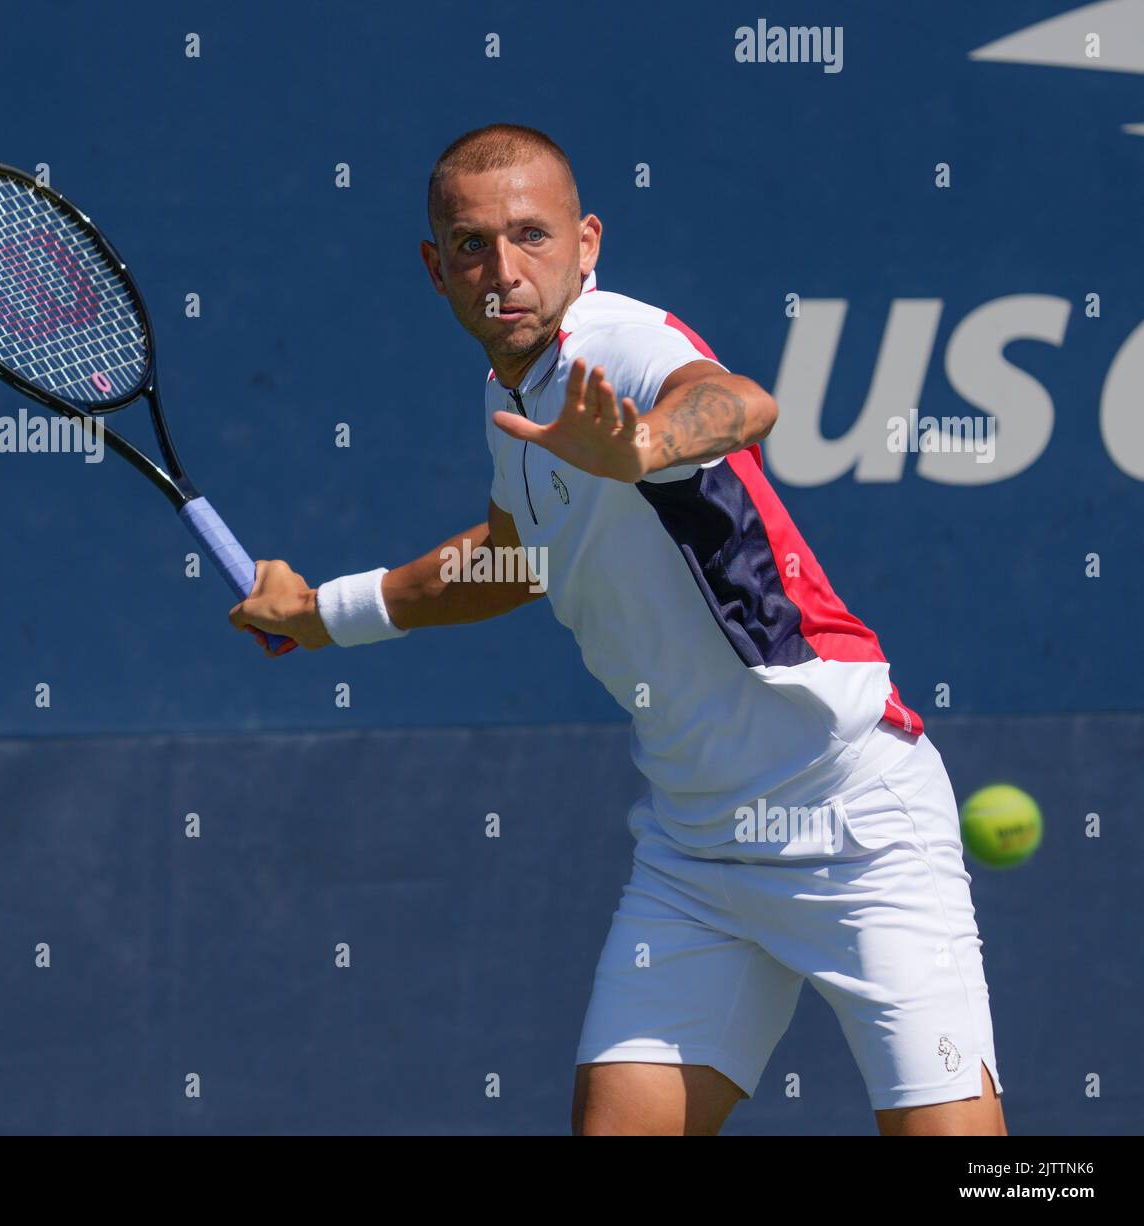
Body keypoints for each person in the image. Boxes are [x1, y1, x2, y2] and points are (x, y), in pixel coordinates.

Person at [228, 123, 1006, 1137]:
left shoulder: (616, 343)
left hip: (854, 813)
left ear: (585, 243)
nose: (502, 270)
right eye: (471, 245)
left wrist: (641, 443)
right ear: (435, 268)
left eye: (531, 236)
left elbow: (737, 401)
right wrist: (323, 614)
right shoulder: (510, 402)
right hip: (696, 851)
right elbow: (513, 558)